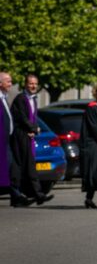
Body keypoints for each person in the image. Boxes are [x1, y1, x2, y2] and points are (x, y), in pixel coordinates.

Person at [10, 74, 53, 205]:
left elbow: (33, 117)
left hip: (28, 135)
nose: (33, 86)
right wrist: (34, 129)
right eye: (31, 83)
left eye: (35, 84)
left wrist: (34, 129)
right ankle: (38, 194)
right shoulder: (20, 99)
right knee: (28, 165)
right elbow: (22, 118)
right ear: (25, 84)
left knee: (23, 165)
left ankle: (17, 197)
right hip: (20, 135)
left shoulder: (33, 99)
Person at [0, 72, 34, 207]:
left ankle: (16, 197)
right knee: (10, 168)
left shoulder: (5, 98)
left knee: (13, 169)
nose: (11, 84)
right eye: (8, 81)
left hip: (9, 140)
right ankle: (17, 196)